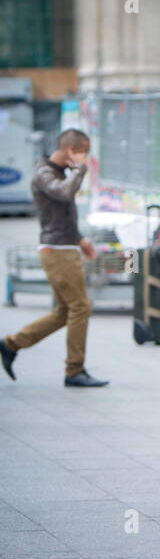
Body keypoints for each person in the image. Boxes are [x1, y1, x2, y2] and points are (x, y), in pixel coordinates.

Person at [0, 129, 107, 387]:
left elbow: (61, 214)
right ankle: (74, 370)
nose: (84, 158)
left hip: (64, 246)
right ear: (71, 150)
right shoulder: (44, 173)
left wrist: (80, 239)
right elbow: (63, 193)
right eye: (82, 153)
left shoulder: (56, 172)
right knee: (80, 307)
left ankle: (11, 344)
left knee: (64, 311)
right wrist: (80, 170)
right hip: (56, 250)